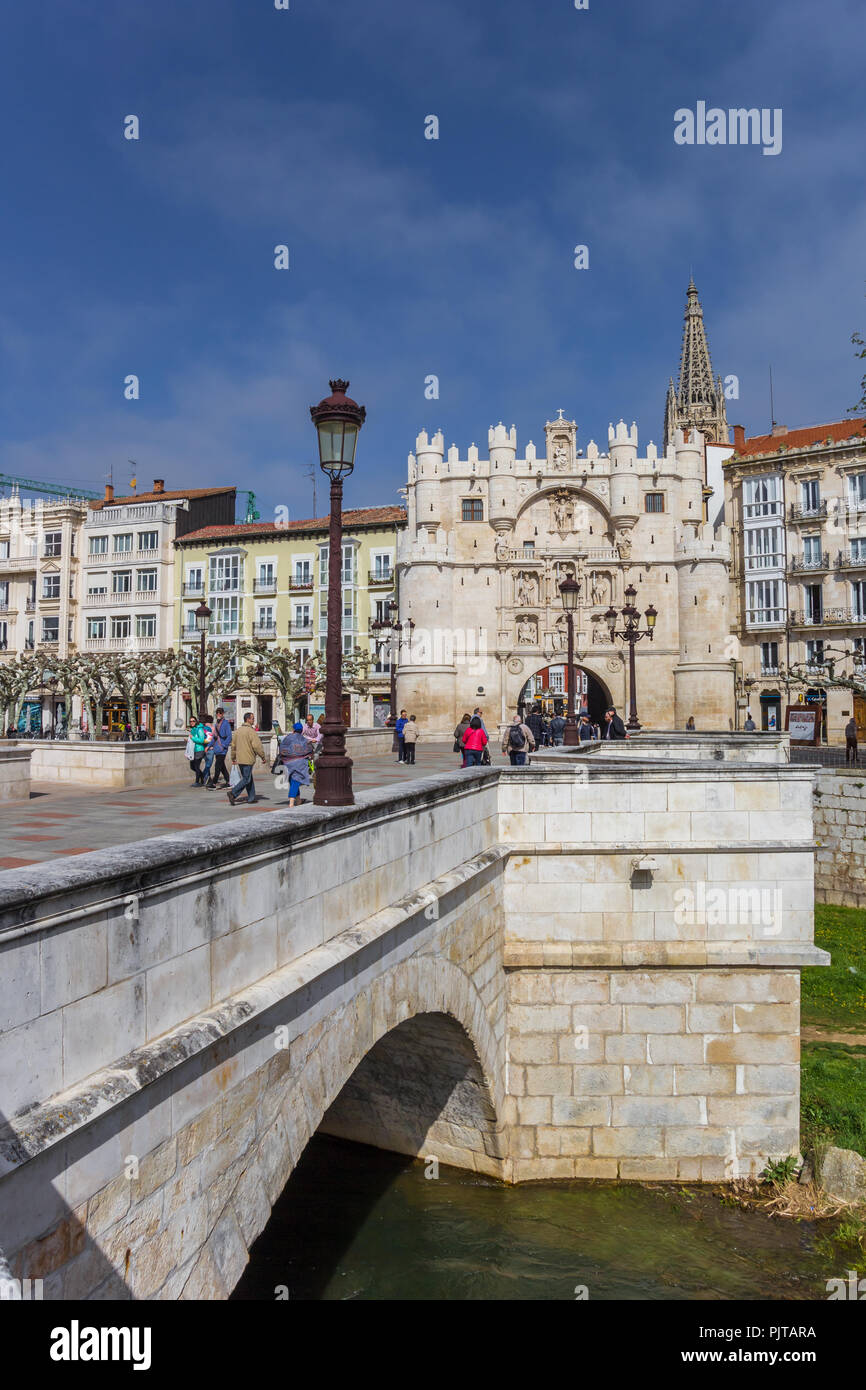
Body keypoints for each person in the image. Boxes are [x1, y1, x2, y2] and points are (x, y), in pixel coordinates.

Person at [228, 712, 268, 805]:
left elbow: (233, 746)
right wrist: (262, 756)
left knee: (248, 778)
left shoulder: (237, 731)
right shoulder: (251, 731)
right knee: (246, 779)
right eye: (252, 718)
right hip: (248, 758)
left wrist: (233, 757)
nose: (253, 720)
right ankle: (233, 793)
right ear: (248, 719)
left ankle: (251, 797)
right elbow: (257, 746)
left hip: (240, 759)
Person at [279, 721, 313, 806]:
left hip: (288, 763)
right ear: (301, 730)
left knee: (293, 780)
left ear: (293, 730)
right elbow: (309, 750)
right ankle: (291, 803)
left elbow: (282, 747)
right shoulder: (304, 739)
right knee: (295, 781)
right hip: (300, 764)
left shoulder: (288, 737)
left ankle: (298, 801)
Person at [206, 706, 232, 787]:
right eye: (217, 713)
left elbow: (229, 736)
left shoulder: (226, 723)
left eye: (220, 713)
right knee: (222, 766)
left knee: (217, 766)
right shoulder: (216, 724)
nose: (218, 714)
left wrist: (224, 745)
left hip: (222, 749)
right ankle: (228, 781)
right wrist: (208, 746)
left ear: (223, 714)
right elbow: (214, 737)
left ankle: (214, 783)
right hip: (217, 748)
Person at [189, 714, 211, 785]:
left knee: (196, 766)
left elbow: (201, 740)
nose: (192, 722)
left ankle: (197, 782)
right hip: (193, 750)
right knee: (192, 766)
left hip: (199, 750)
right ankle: (202, 777)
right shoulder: (193, 729)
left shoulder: (200, 729)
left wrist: (192, 738)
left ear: (196, 721)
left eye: (193, 721)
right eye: (190, 721)